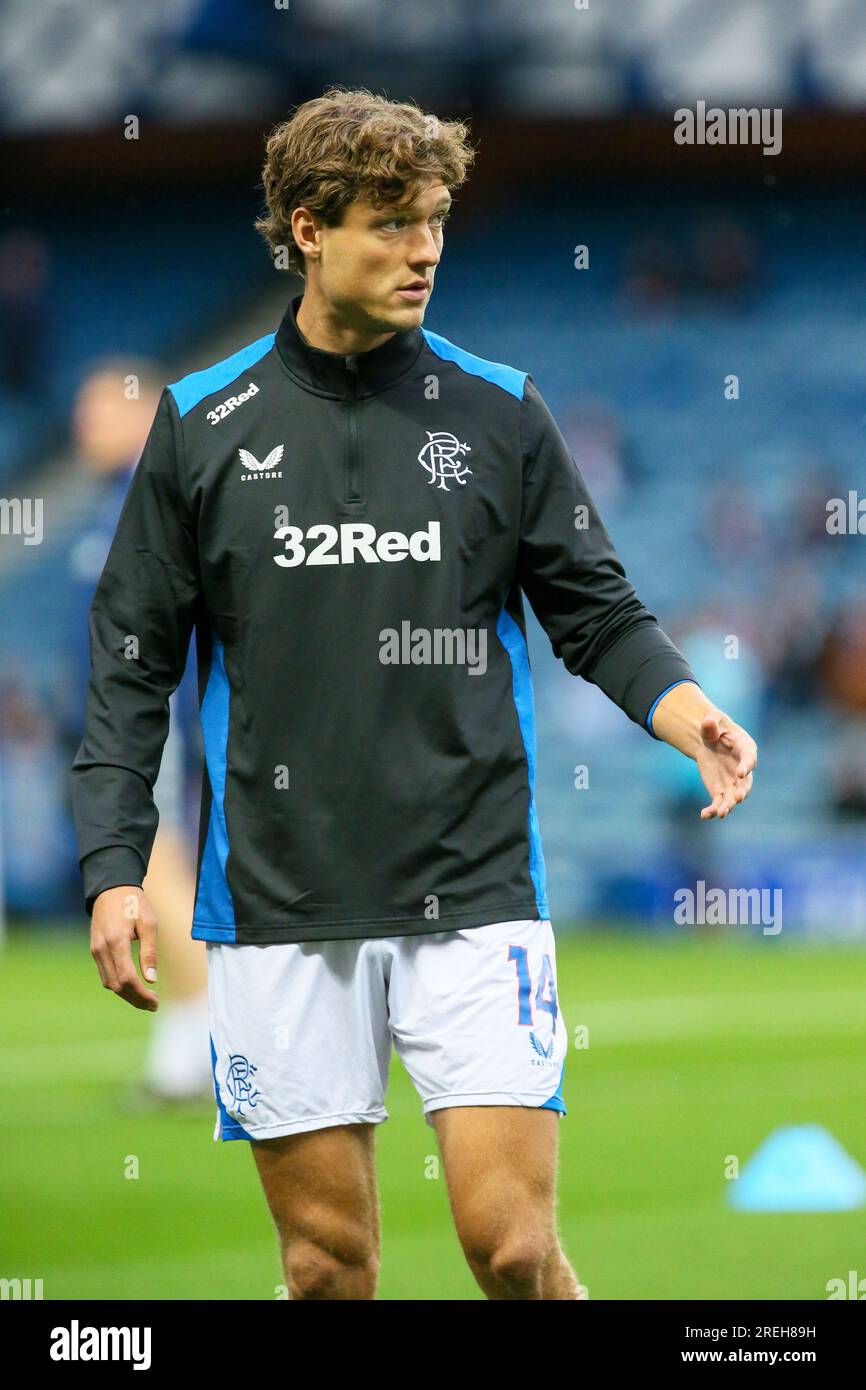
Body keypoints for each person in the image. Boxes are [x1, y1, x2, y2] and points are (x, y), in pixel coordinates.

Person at [70, 86, 757, 1301]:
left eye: (433, 218)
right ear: (306, 228)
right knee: (327, 1269)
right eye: (390, 221)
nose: (424, 247)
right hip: (280, 902)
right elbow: (132, 664)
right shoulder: (198, 425)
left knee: (508, 1247)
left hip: (475, 883)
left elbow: (594, 609)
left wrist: (684, 707)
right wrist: (117, 863)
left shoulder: (497, 410)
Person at [69, 360, 212, 1104]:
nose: (81, 427)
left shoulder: (147, 491)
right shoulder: (109, 498)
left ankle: (201, 1039)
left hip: (158, 715)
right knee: (164, 865)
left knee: (158, 867)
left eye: (96, 410)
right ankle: (190, 1039)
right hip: (132, 714)